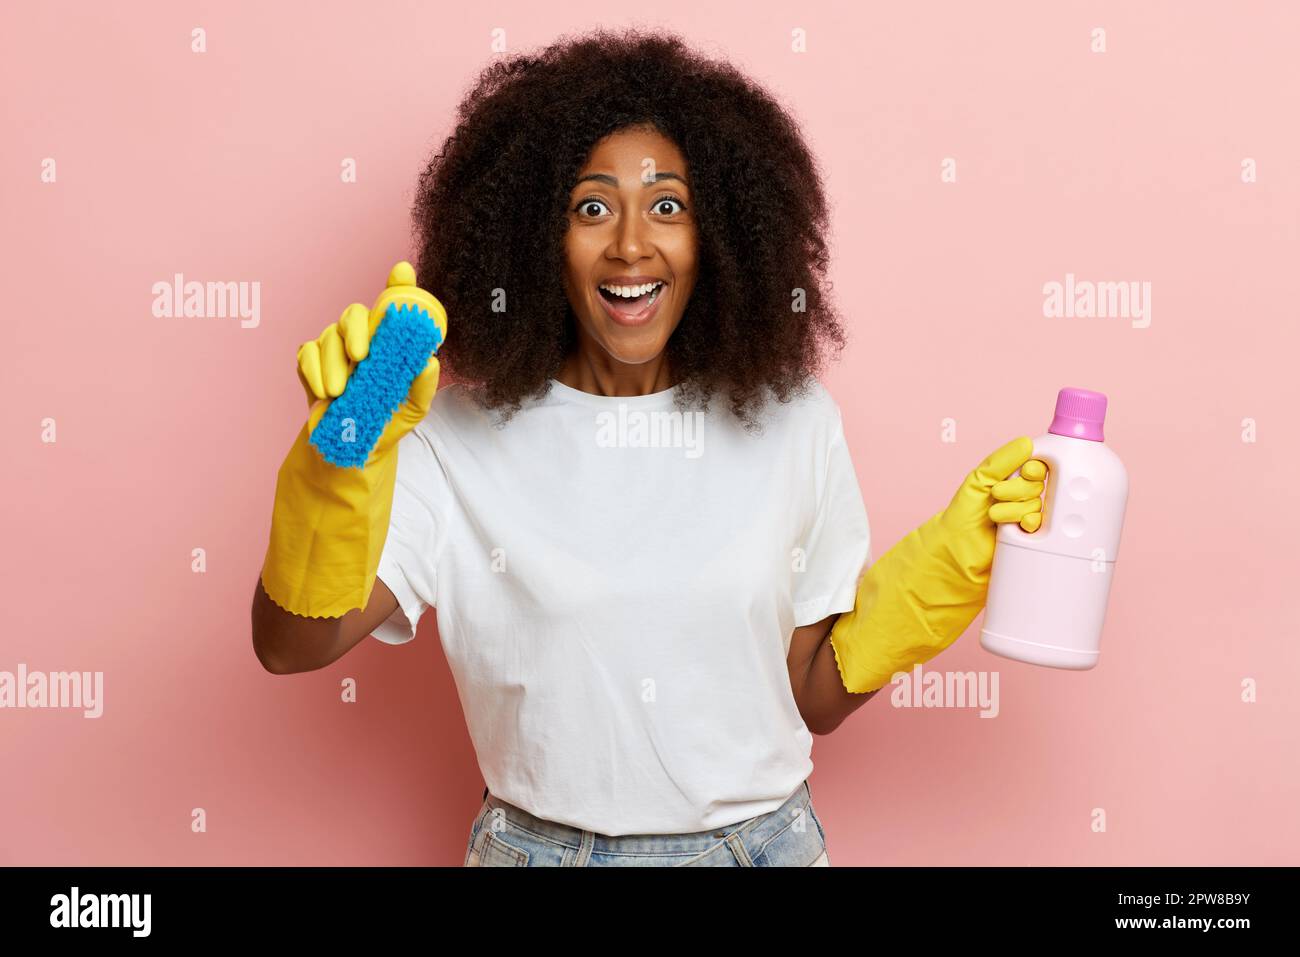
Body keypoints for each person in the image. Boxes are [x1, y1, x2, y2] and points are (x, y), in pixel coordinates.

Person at [250, 28, 1044, 867]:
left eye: (668, 205)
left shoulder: (792, 421)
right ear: (533, 236)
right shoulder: (450, 440)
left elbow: (814, 693)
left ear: (723, 235)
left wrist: (945, 573)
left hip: (763, 849)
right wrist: (335, 474)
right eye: (591, 207)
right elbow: (292, 644)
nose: (631, 243)